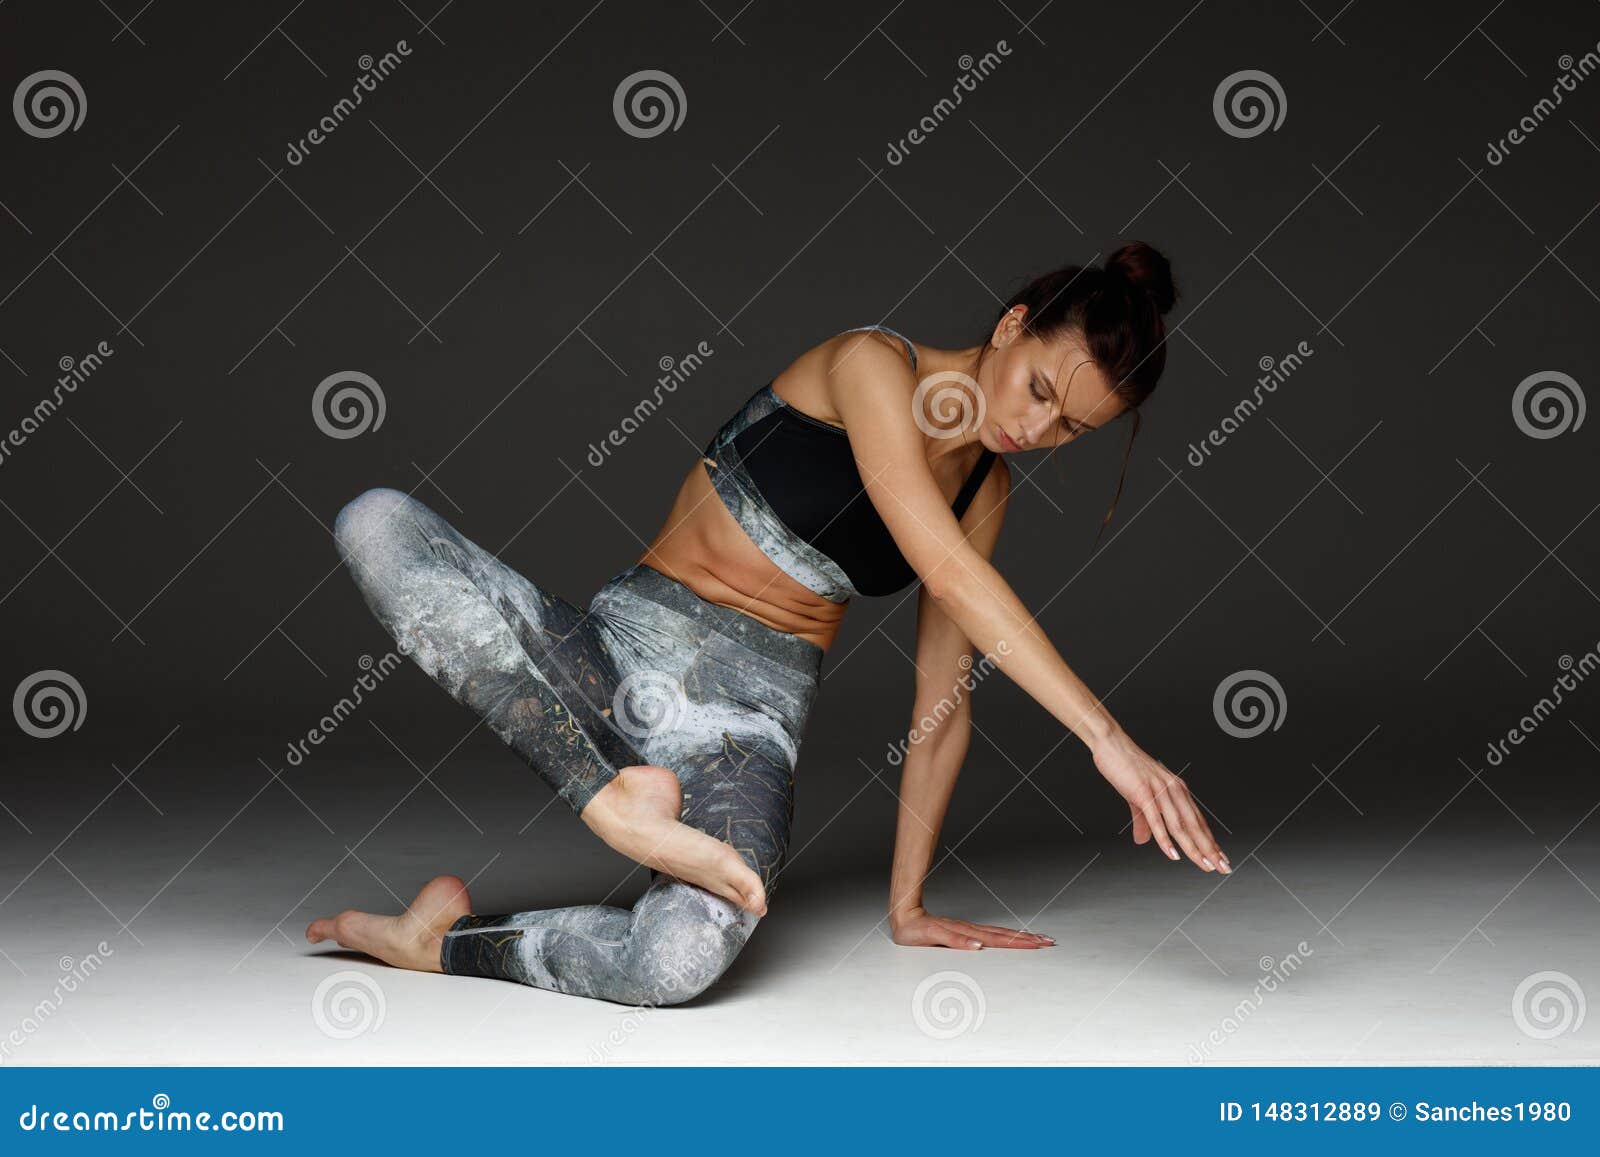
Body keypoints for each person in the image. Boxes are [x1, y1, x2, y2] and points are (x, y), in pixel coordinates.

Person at [306, 240, 1230, 1006]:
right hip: (620, 660)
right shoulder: (871, 365)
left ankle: (441, 942)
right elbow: (939, 560)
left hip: (748, 733)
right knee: (376, 523)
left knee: (675, 963)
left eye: (1071, 427)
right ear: (1010, 327)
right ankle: (610, 794)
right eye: (1038, 388)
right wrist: (1105, 736)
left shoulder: (986, 489)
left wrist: (906, 905)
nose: (1037, 428)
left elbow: (943, 698)